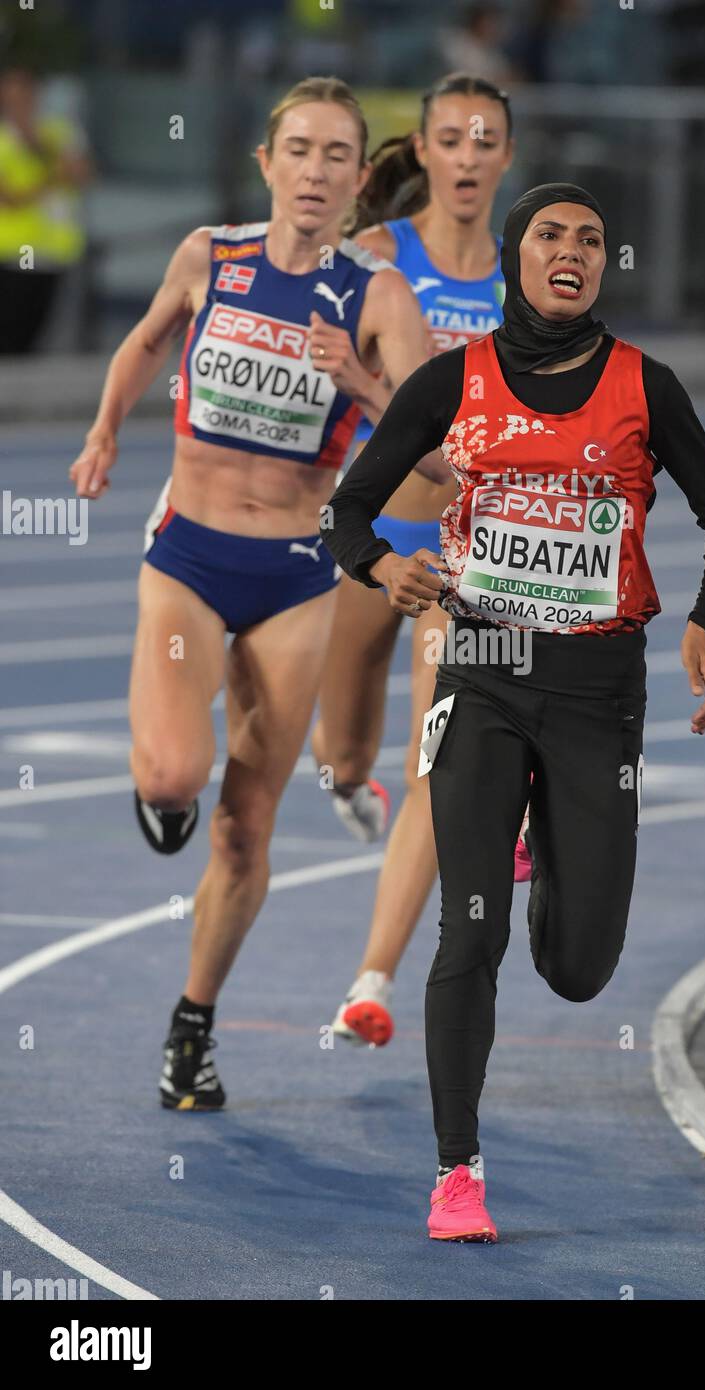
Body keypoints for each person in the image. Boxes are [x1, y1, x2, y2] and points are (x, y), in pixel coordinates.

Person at [322, 182, 705, 1240]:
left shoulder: (644, 386)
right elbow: (347, 507)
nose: (572, 251)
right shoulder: (450, 380)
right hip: (483, 667)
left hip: (599, 689)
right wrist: (382, 566)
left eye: (591, 240)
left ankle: (546, 839)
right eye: (551, 235)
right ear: (517, 253)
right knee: (467, 932)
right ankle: (456, 1172)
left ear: (605, 264)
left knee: (575, 966)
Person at [68, 76, 440, 1111]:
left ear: (359, 178)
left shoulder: (378, 298)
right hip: (189, 557)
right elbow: (145, 340)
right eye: (299, 151)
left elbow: (434, 455)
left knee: (244, 830)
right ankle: (160, 788)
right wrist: (104, 429)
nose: (316, 173)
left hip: (293, 577)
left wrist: (363, 387)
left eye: (337, 157)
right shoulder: (209, 257)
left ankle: (192, 1025)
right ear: (265, 164)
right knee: (179, 774)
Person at [310, 73, 513, 1048]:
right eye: (451, 139)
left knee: (433, 756)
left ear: (504, 158)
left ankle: (371, 978)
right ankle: (348, 780)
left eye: (485, 141)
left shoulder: (525, 281)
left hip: (464, 557)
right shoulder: (378, 258)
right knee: (340, 754)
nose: (468, 157)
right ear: (424, 152)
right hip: (373, 536)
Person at [0, 67, 91, 354]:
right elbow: (10, 198)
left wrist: (43, 149)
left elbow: (82, 173)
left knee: (38, 334)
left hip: (54, 252)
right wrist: (52, 177)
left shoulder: (57, 132)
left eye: (26, 96)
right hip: (12, 252)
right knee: (11, 333)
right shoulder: (3, 140)